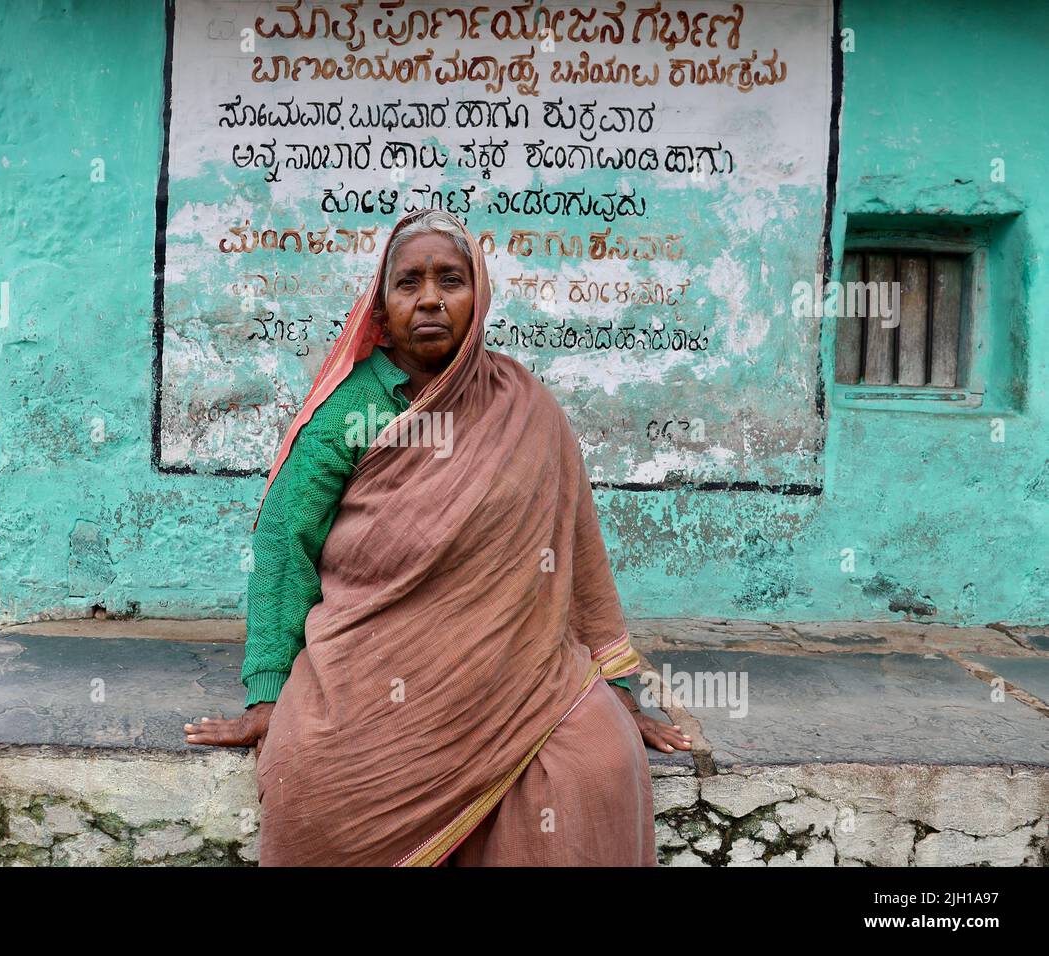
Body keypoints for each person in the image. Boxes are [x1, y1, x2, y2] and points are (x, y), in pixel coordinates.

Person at [185, 209, 691, 866]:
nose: (429, 299)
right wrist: (266, 691)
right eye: (408, 283)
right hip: (372, 664)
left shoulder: (524, 403)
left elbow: (578, 552)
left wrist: (620, 690)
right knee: (315, 783)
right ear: (383, 303)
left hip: (523, 669)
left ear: (478, 295)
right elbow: (284, 544)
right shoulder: (352, 409)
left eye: (450, 280)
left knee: (599, 768)